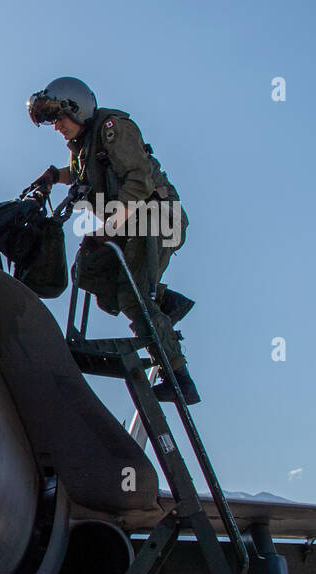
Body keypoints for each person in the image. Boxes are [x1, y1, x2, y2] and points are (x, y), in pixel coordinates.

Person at [28, 77, 199, 405]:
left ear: (76, 109)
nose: (56, 128)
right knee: (89, 272)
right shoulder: (83, 145)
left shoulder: (112, 128)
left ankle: (178, 378)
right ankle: (164, 302)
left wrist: (110, 225)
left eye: (58, 119)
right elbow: (84, 174)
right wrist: (55, 176)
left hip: (156, 219)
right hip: (129, 224)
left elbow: (139, 180)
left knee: (133, 297)